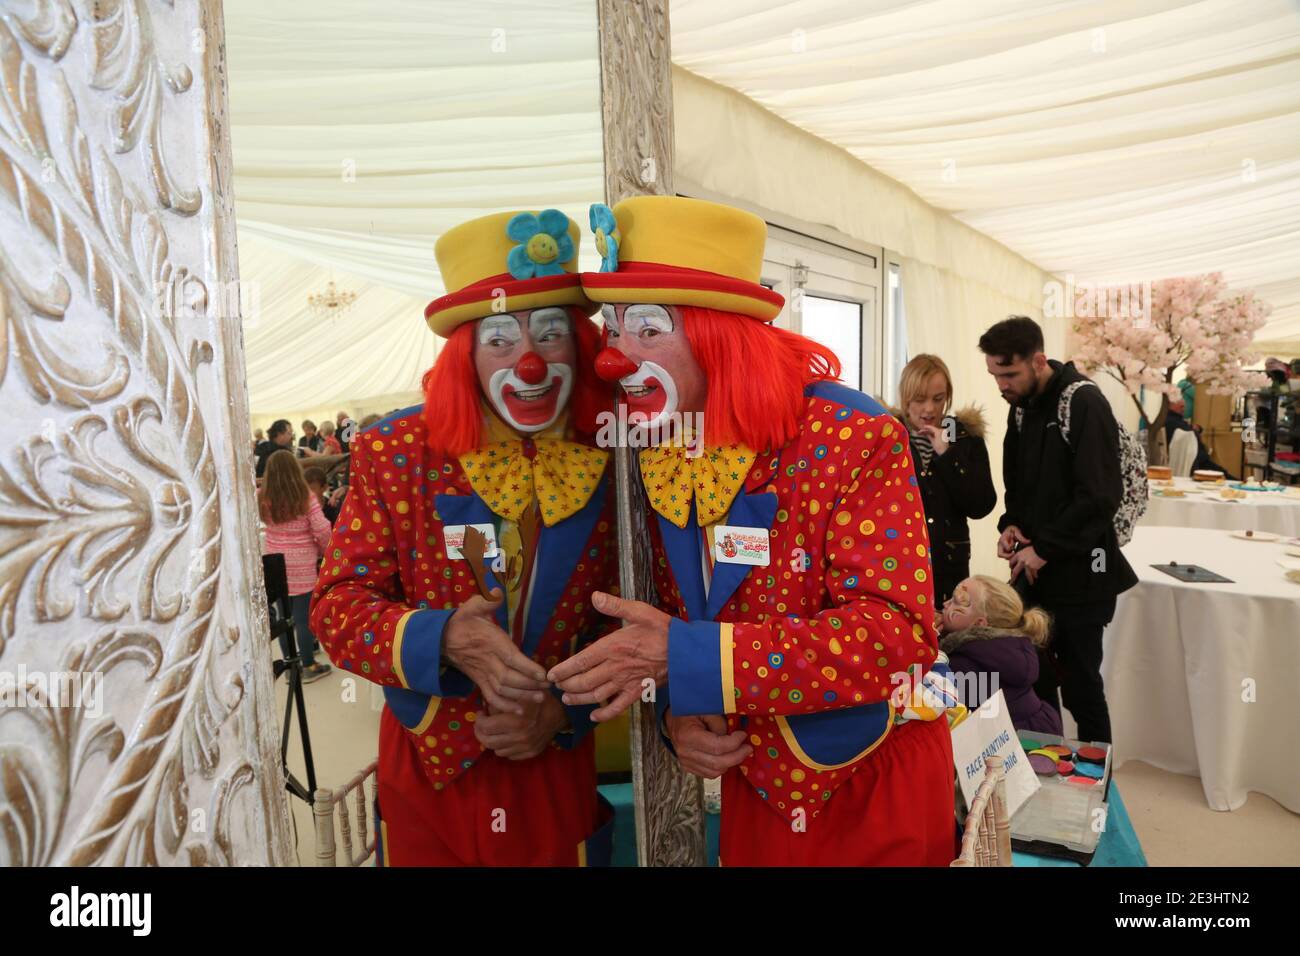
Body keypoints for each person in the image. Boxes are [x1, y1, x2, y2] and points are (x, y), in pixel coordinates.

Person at [550, 196, 957, 866]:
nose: (614, 360)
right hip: (756, 796)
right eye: (614, 332)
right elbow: (674, 626)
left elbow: (898, 637)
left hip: (867, 788)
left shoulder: (854, 434)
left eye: (648, 330)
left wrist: (689, 660)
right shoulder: (659, 447)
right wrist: (675, 713)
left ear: (720, 334)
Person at [310, 208, 618, 866]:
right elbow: (336, 607)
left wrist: (564, 711)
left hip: (552, 770)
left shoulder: (618, 454)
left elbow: (632, 619)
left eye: (550, 335)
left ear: (581, 347)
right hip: (428, 770)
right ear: (466, 354)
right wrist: (441, 636)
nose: (530, 363)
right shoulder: (395, 449)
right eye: (501, 340)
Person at [980, 315, 1137, 743]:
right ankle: (1048, 782)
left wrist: (1044, 546)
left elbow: (1100, 497)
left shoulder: (1083, 402)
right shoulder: (1019, 407)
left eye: (1009, 373)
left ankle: (1099, 793)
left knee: (1082, 688)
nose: (1002, 385)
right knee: (1034, 682)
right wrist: (1010, 525)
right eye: (995, 374)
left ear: (1039, 360)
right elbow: (1019, 487)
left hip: (1086, 578)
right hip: (1034, 578)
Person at [893, 354, 996, 606]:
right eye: (919, 399)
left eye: (938, 399)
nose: (929, 409)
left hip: (949, 571)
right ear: (905, 398)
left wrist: (947, 455)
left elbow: (981, 505)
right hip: (897, 565)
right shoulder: (889, 434)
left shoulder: (963, 435)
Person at [939, 576, 1061, 735]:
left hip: (1008, 742)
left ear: (979, 624)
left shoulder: (962, 663)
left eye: (956, 601)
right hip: (1040, 729)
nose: (945, 604)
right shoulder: (1015, 646)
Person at [260, 450, 333, 682]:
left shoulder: (262, 496)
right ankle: (309, 665)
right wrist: (325, 551)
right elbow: (321, 529)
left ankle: (292, 667)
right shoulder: (305, 496)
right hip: (301, 564)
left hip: (275, 564)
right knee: (303, 619)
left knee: (285, 619)